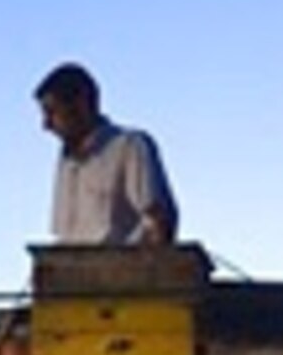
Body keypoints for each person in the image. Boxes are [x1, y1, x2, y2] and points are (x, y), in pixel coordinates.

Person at [36, 60, 179, 247]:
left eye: (52, 112)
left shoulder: (130, 146)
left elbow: (159, 222)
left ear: (81, 104)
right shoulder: (66, 164)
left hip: (122, 272)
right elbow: (64, 237)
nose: (46, 125)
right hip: (71, 274)